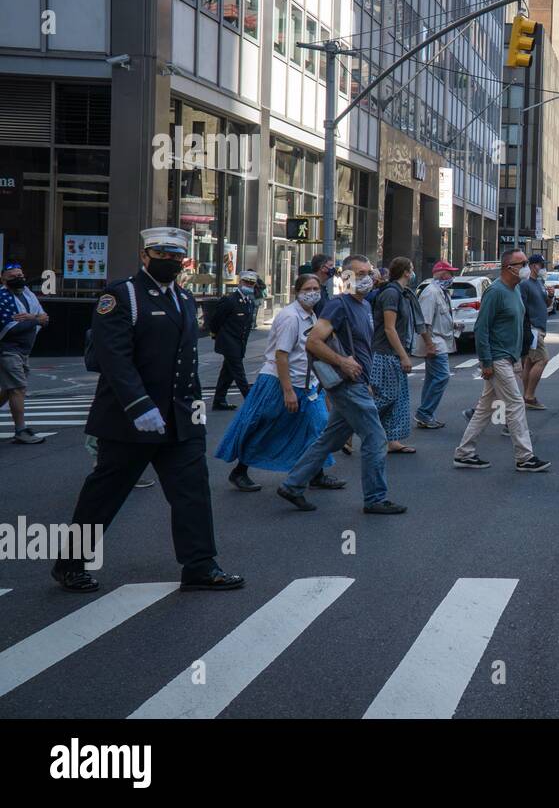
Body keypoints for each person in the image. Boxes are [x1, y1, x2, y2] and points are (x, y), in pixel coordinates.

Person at [51, 227, 245, 592]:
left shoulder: (185, 299)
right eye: (162, 255)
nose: (170, 262)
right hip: (130, 419)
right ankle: (69, 564)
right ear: (144, 256)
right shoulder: (122, 295)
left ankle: (200, 565)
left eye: (176, 256)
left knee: (192, 492)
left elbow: (185, 361)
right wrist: (139, 405)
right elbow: (114, 357)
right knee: (105, 494)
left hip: (179, 419)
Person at [276, 254, 407, 514]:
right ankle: (375, 498)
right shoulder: (339, 305)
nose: (366, 278)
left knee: (329, 439)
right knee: (376, 438)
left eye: (369, 273)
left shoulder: (365, 306)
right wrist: (343, 362)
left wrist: (366, 379)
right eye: (359, 274)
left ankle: (292, 484)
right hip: (347, 384)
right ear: (345, 277)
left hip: (357, 382)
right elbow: (313, 342)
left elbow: (362, 348)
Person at [215, 274, 345, 492]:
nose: (313, 292)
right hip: (281, 382)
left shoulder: (312, 315)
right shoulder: (290, 318)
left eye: (316, 288)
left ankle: (316, 473)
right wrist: (287, 391)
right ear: (297, 292)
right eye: (308, 289)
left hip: (306, 384)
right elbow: (281, 355)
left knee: (317, 427)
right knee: (265, 427)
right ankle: (240, 471)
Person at [454, 249, 549, 472]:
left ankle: (464, 453)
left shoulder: (515, 290)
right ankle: (525, 456)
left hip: (509, 357)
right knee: (516, 404)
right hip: (497, 359)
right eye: (523, 263)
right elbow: (481, 328)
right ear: (509, 268)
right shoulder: (495, 291)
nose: (527, 266)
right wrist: (486, 362)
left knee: (485, 408)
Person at [370, 256, 421, 453]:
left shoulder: (400, 292)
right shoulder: (391, 294)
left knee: (398, 398)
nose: (413, 272)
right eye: (412, 269)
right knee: (386, 396)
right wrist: (403, 356)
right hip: (385, 353)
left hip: (392, 352)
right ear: (406, 272)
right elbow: (389, 329)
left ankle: (391, 440)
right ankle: (355, 425)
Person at [0, 260, 50, 444]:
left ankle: (20, 430)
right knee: (18, 388)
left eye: (20, 276)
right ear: (3, 279)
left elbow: (45, 319)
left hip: (24, 350)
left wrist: (33, 318)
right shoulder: (2, 298)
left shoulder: (29, 295)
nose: (18, 279)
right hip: (7, 350)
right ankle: (20, 430)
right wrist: (36, 319)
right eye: (12, 277)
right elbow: (10, 328)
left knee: (9, 389)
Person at [415, 260, 458, 429]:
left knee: (433, 378)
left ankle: (426, 414)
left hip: (440, 341)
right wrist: (430, 345)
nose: (452, 277)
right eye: (450, 273)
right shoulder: (431, 293)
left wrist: (453, 325)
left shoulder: (442, 292)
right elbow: (424, 323)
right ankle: (425, 413)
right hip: (435, 342)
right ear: (441, 274)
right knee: (441, 377)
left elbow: (439, 318)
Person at [208, 269, 259, 410]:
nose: (249, 285)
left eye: (252, 283)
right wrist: (215, 333)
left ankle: (219, 400)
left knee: (228, 373)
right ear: (240, 282)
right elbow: (216, 320)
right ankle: (251, 401)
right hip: (228, 342)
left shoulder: (249, 301)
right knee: (239, 373)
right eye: (246, 282)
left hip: (239, 342)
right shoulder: (229, 300)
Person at [519, 253, 551, 409]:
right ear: (533, 266)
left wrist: (550, 296)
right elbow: (522, 308)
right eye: (541, 265)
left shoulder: (539, 283)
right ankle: (529, 397)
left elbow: (544, 304)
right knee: (542, 359)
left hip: (540, 328)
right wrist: (528, 327)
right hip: (533, 329)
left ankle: (526, 396)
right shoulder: (525, 284)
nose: (543, 268)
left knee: (529, 363)